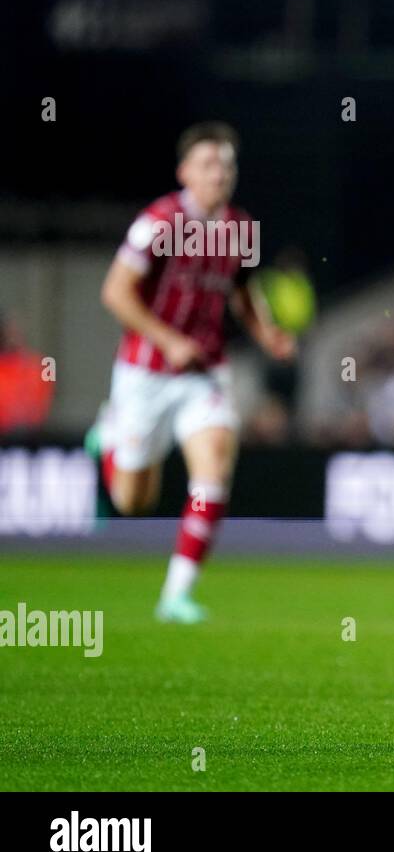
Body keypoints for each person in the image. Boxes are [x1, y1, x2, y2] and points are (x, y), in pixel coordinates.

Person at [87, 122, 296, 623]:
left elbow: (243, 290)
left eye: (226, 165)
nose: (219, 173)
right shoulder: (157, 222)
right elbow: (115, 292)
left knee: (215, 467)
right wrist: (168, 339)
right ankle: (109, 436)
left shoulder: (241, 228)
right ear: (184, 171)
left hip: (205, 372)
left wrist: (266, 332)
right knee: (133, 500)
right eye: (208, 164)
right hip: (146, 373)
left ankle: (175, 594)